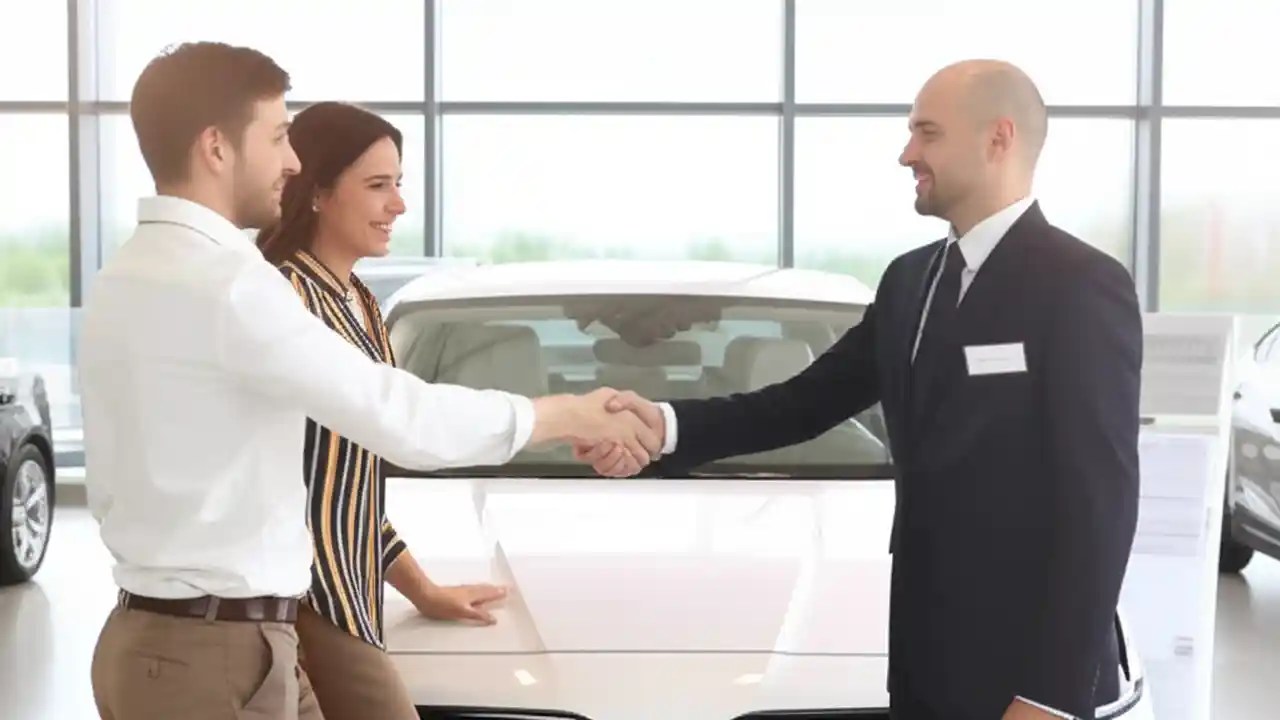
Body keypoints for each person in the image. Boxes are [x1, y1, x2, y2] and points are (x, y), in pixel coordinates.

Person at [81, 42, 658, 720]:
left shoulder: (130, 271)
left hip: (195, 639)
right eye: (275, 138)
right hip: (212, 651)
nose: (291, 162)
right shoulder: (230, 286)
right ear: (216, 146)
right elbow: (398, 417)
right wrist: (566, 415)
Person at [579, 60, 1143, 720]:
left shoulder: (1081, 285)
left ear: (998, 139)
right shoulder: (910, 280)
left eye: (926, 133)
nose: (907, 154)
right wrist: (664, 427)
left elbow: (1101, 504)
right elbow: (804, 403)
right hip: (926, 660)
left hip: (1030, 681)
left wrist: (1050, 694)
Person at [252, 101, 502, 720]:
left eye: (398, 184)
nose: (399, 204)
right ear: (316, 193)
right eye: (377, 185)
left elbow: (345, 488)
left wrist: (425, 590)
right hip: (307, 604)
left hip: (351, 601)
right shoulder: (284, 296)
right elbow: (297, 485)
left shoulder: (360, 301)